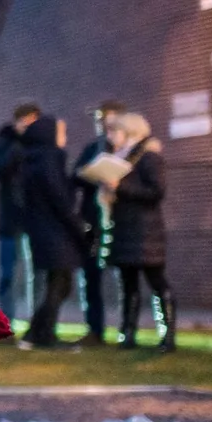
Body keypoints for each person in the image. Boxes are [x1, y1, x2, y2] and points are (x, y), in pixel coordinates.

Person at [92, 111, 175, 352]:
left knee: (157, 283)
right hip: (125, 230)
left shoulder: (148, 157)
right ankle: (127, 334)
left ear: (129, 132)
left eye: (115, 131)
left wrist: (122, 187)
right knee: (128, 285)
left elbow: (156, 192)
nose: (111, 136)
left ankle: (167, 335)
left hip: (145, 232)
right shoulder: (122, 157)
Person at [15, 115, 88, 349]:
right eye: (61, 132)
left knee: (57, 284)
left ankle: (36, 332)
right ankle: (44, 334)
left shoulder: (31, 160)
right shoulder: (50, 159)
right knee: (60, 283)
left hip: (41, 230)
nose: (64, 138)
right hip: (56, 232)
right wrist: (78, 227)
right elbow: (60, 198)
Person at [70, 100, 126, 345]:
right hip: (92, 222)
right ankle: (95, 329)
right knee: (90, 275)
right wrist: (91, 175)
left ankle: (127, 330)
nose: (102, 124)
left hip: (120, 221)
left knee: (125, 277)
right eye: (100, 120)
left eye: (107, 119)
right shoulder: (93, 148)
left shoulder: (127, 150)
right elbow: (76, 175)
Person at [0, 102, 41, 325]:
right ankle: (6, 319)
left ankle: (37, 319)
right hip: (10, 219)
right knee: (8, 274)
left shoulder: (39, 146)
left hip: (34, 220)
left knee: (35, 273)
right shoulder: (6, 143)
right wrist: (15, 153)